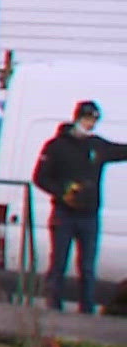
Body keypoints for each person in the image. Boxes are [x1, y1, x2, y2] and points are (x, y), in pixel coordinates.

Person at [30, 99, 127, 314]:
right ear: (77, 118)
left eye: (93, 120)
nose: (90, 124)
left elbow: (121, 151)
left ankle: (86, 312)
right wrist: (63, 192)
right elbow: (40, 177)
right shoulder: (56, 146)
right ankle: (53, 308)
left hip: (89, 216)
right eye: (87, 119)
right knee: (59, 264)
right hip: (64, 214)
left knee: (87, 267)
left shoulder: (97, 146)